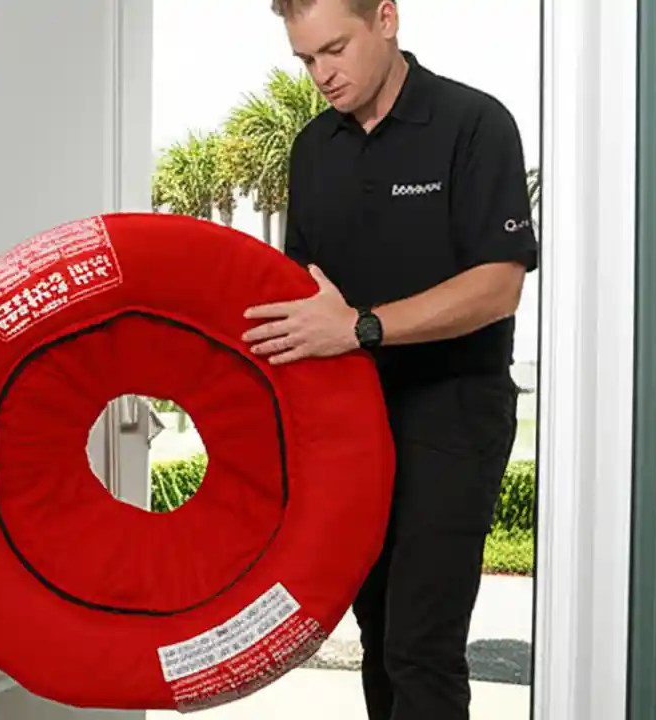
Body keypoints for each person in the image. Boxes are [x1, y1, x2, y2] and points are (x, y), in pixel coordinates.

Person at [240, 1, 539, 718]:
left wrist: (362, 329)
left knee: (419, 644)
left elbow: (498, 287)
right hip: (350, 423)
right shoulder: (313, 149)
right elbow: (305, 296)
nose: (322, 74)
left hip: (453, 411)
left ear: (386, 18)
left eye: (334, 49)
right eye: (306, 60)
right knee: (377, 637)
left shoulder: (474, 123)